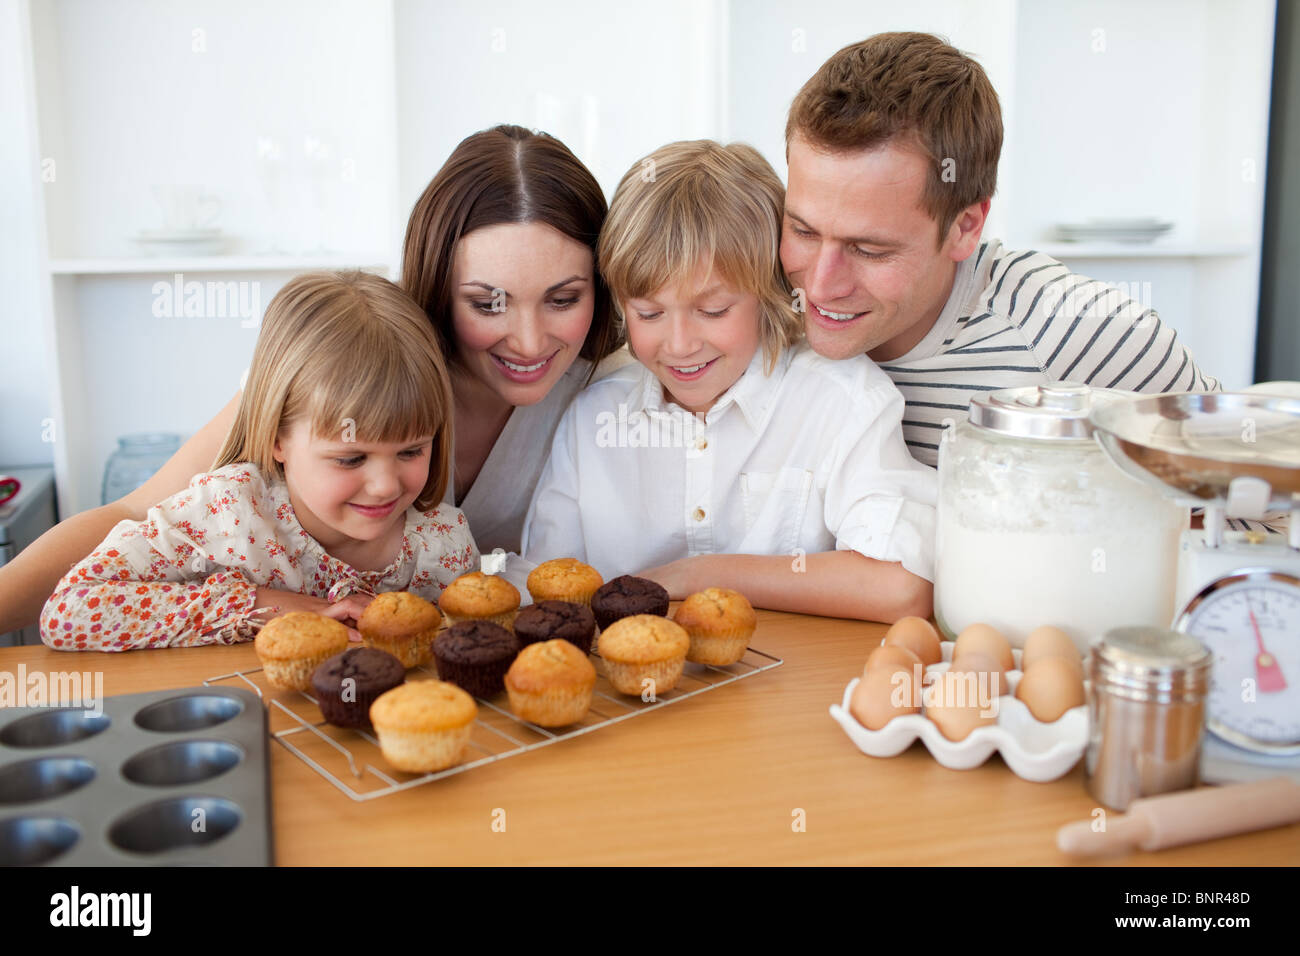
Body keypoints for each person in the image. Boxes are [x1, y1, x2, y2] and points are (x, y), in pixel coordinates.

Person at [0, 125, 624, 636]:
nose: (530, 339)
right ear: (437, 281)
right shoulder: (354, 364)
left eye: (563, 298)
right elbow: (131, 514)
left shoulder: (611, 393)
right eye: (488, 303)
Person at [521, 141, 936, 623]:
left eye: (712, 310)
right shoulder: (594, 420)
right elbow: (545, 590)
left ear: (769, 293)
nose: (678, 344)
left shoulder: (840, 400)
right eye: (649, 312)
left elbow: (904, 586)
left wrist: (701, 574)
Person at [781, 34, 1224, 461]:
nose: (821, 285)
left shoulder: (1079, 332)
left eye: (869, 249)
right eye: (803, 231)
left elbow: (1261, 514)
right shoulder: (747, 307)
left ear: (965, 227)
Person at [41, 272, 477, 651]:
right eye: (350, 458)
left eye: (411, 451)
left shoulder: (444, 548)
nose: (385, 485)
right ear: (276, 439)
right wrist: (268, 606)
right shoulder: (225, 515)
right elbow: (71, 609)